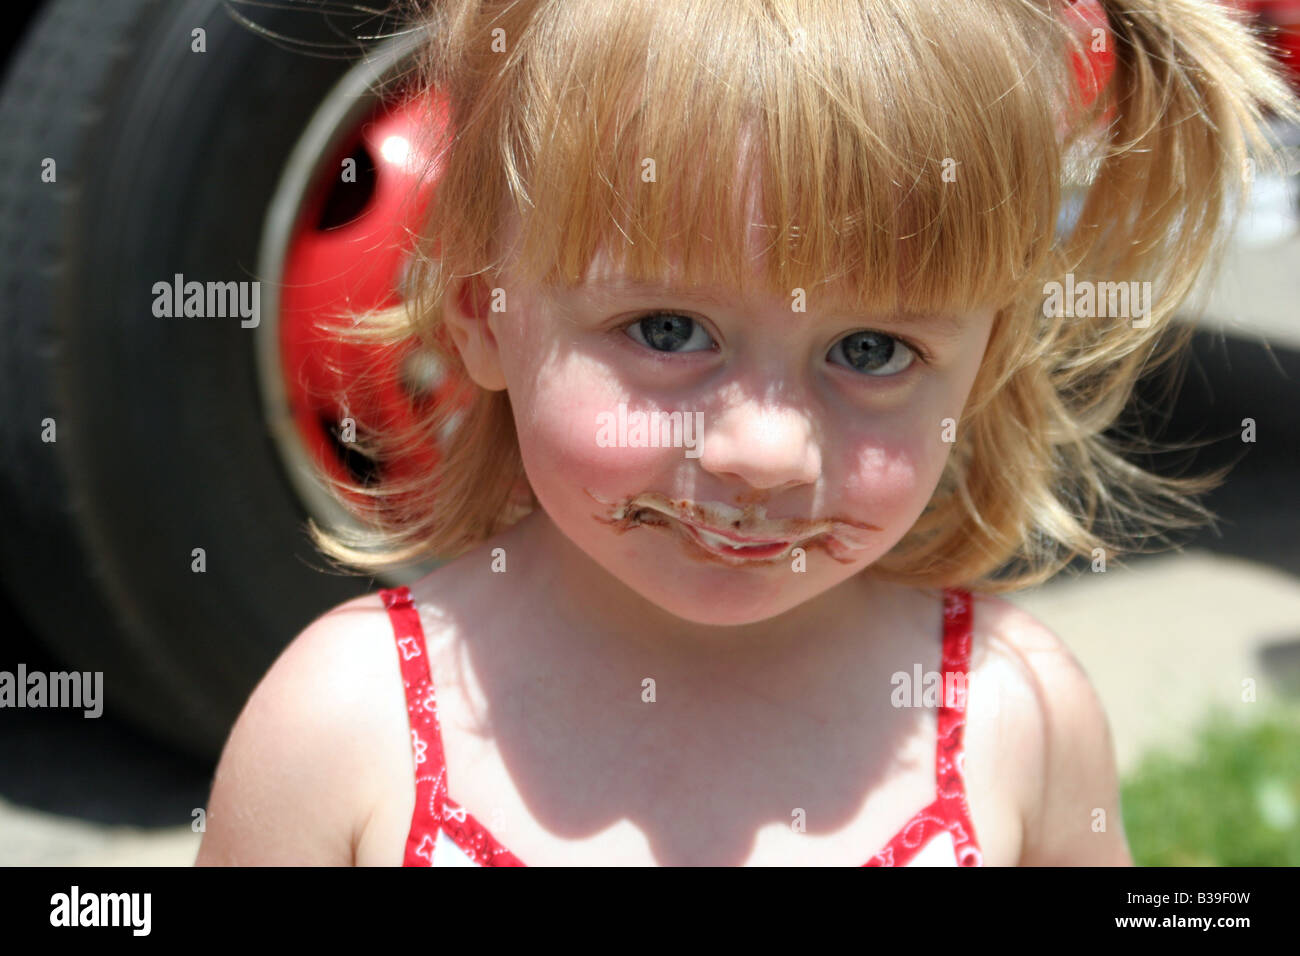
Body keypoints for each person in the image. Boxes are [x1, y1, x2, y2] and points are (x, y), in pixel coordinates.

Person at [196, 0, 1298, 866]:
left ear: (987, 357)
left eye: (871, 350)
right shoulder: (345, 730)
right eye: (668, 329)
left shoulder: (1017, 715)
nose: (764, 451)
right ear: (482, 309)